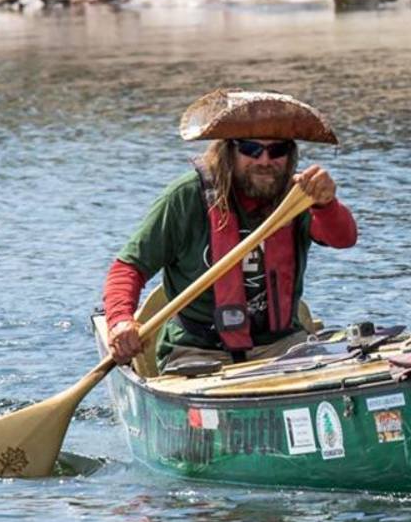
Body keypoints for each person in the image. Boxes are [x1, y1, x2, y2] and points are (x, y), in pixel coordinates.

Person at [102, 89, 357, 374]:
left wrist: (326, 204)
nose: (264, 160)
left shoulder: (298, 196)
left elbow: (343, 239)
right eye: (251, 149)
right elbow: (128, 267)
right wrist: (120, 321)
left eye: (277, 150)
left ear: (290, 155)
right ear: (229, 152)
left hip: (281, 345)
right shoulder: (187, 197)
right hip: (197, 348)